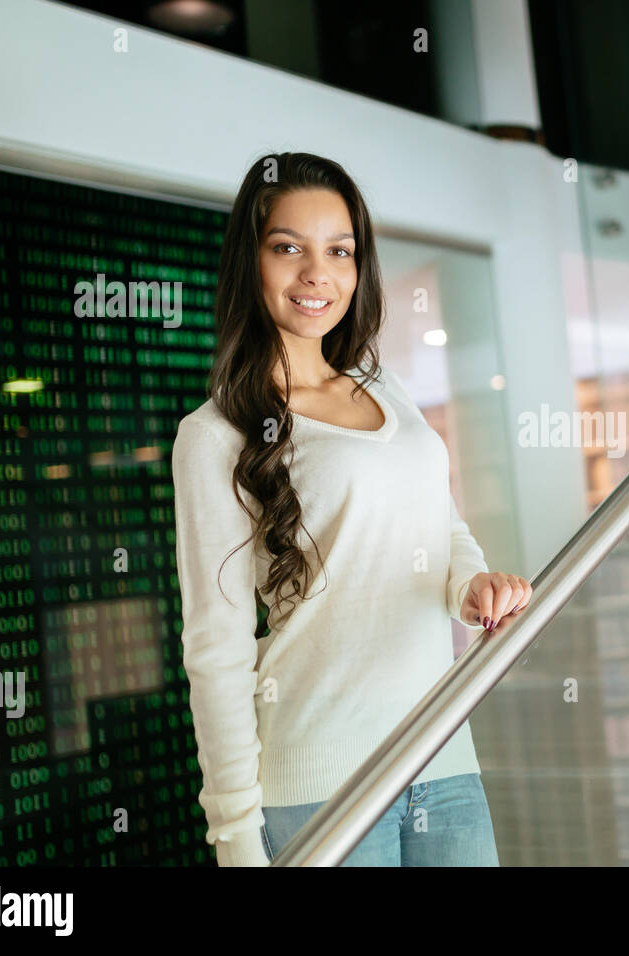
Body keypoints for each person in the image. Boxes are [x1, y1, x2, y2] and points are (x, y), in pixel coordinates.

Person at [170, 152, 531, 867]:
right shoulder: (213, 436)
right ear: (252, 261)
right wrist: (237, 838)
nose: (318, 274)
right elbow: (216, 652)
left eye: (340, 250)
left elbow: (441, 523)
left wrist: (471, 585)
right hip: (319, 791)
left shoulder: (382, 386)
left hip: (445, 757)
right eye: (288, 248)